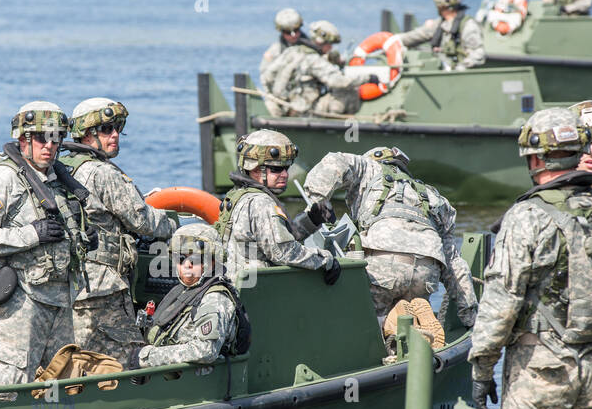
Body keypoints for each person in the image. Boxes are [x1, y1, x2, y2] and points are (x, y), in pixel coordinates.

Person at [468, 107, 592, 409]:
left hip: (540, 374)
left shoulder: (526, 217)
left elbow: (501, 303)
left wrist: (482, 371)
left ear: (535, 159)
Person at [0, 101, 96, 388]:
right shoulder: (3, 179)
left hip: (60, 302)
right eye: (41, 138)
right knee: (7, 387)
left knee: (62, 387)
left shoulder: (57, 180)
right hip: (19, 307)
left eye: (56, 138)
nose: (49, 145)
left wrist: (82, 238)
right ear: (23, 140)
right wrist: (29, 235)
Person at [292, 146, 478, 330]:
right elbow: (454, 262)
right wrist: (469, 315)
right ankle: (412, 333)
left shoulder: (369, 168)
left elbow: (335, 160)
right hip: (426, 272)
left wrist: (317, 200)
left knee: (368, 324)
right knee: (408, 325)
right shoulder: (434, 197)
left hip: (383, 268)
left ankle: (384, 337)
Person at [61, 98, 174, 366]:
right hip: (104, 286)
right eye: (106, 129)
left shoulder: (63, 167)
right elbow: (143, 220)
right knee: (130, 357)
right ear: (87, 135)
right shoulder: (102, 172)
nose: (115, 136)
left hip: (71, 282)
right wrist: (173, 225)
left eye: (117, 128)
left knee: (82, 357)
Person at [215, 129, 339, 283]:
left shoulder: (238, 194)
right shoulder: (261, 203)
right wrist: (326, 259)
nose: (285, 174)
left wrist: (311, 220)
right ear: (254, 168)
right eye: (276, 169)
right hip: (258, 292)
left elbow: (274, 238)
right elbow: (283, 252)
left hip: (240, 284)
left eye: (286, 168)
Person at [134, 223, 243, 368]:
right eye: (180, 258)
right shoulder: (184, 290)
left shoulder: (215, 298)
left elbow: (205, 350)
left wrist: (146, 357)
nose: (186, 264)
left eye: (195, 259)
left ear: (211, 261)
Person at [262, 20, 373, 117]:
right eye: (330, 44)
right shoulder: (314, 59)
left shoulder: (292, 51)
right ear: (323, 42)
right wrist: (368, 78)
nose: (331, 48)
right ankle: (337, 126)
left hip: (285, 106)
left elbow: (267, 76)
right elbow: (338, 81)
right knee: (348, 92)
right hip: (304, 111)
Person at [397, 0, 485, 70]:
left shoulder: (468, 26)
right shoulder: (440, 24)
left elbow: (478, 54)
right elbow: (417, 35)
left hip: (459, 75)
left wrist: (459, 69)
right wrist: (393, 39)